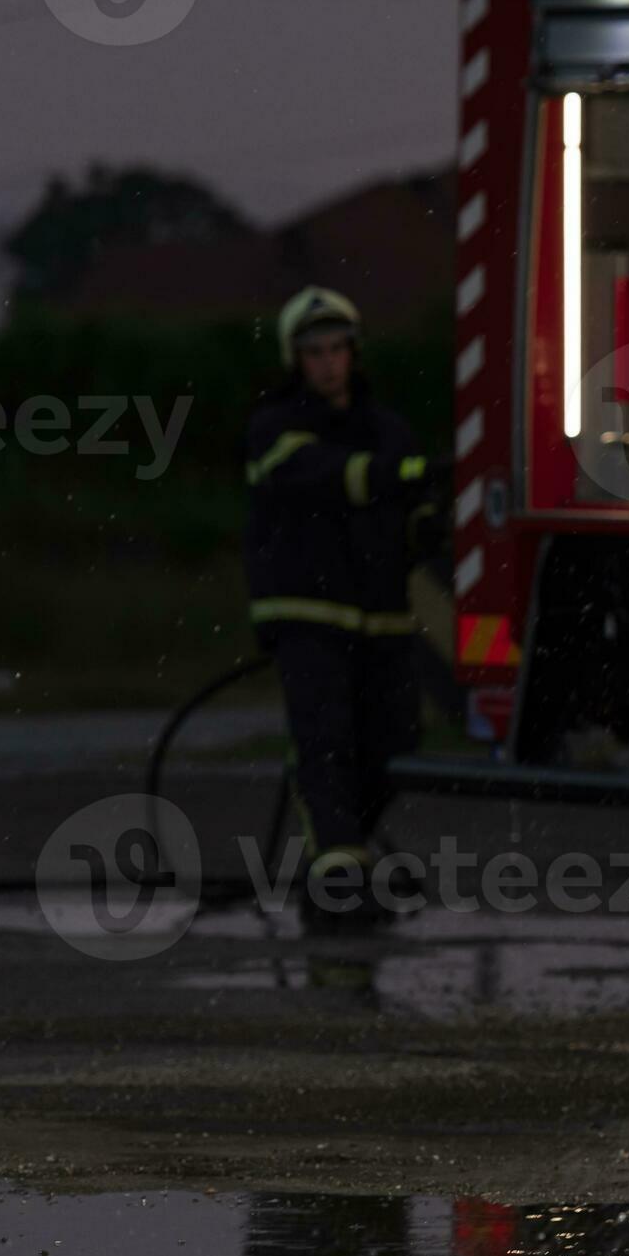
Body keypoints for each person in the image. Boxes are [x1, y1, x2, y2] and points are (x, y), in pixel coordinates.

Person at [243, 286, 442, 926]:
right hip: (308, 615)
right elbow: (320, 475)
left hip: (381, 620)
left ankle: (342, 857)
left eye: (337, 349)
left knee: (393, 743)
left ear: (354, 353)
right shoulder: (275, 427)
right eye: (315, 353)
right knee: (325, 743)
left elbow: (415, 515)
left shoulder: (388, 429)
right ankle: (337, 879)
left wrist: (432, 512)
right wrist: (394, 477)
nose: (328, 363)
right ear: (294, 360)